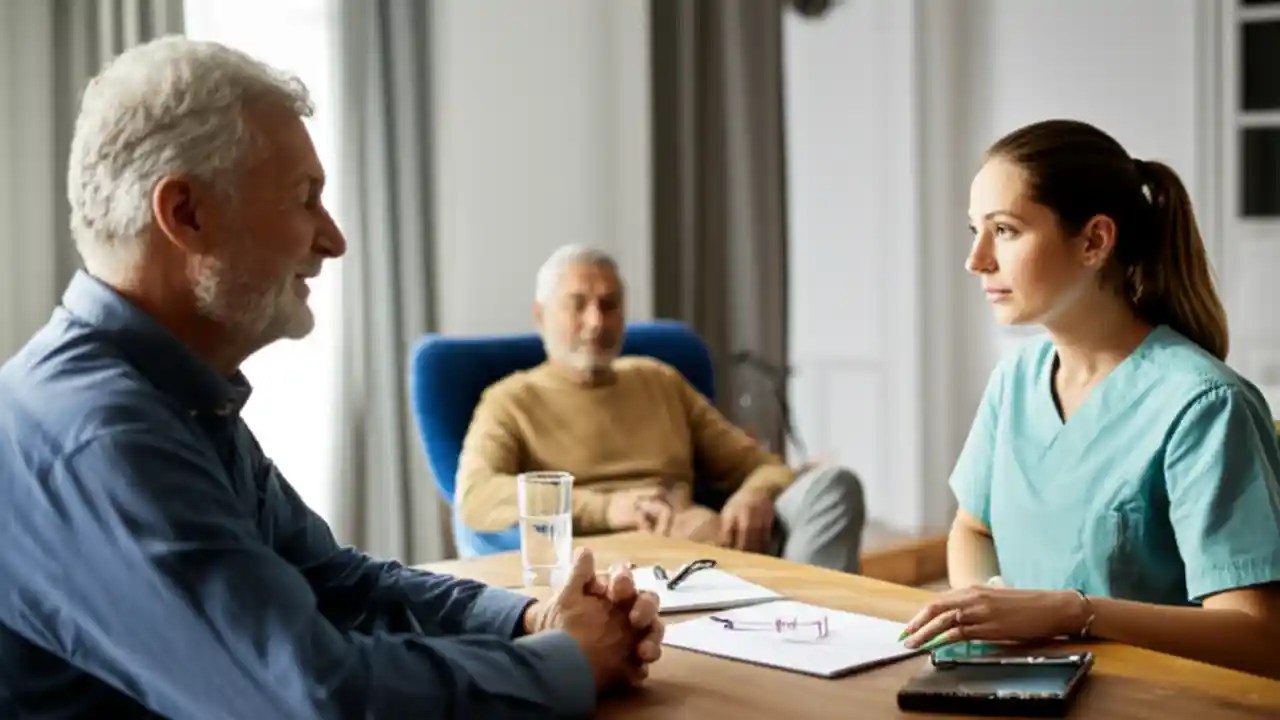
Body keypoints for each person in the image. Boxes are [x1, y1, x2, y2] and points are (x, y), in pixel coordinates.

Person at [0, 37, 662, 717]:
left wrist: (530, 621)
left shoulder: (171, 395)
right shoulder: (100, 436)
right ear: (186, 214)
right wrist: (565, 662)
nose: (334, 238)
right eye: (305, 198)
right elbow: (317, 698)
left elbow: (338, 583)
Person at [899, 119, 1280, 679]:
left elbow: (1261, 639)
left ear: (1095, 241)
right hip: (1027, 688)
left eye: (1004, 230)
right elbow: (973, 528)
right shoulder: (1016, 379)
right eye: (974, 230)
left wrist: (1073, 613)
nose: (976, 259)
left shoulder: (1206, 407)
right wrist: (984, 607)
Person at [455, 245, 866, 574]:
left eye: (610, 304)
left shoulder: (657, 380)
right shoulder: (510, 400)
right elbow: (476, 496)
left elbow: (766, 466)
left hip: (715, 541)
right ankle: (798, 620)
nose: (596, 321)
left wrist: (752, 495)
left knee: (834, 486)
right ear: (541, 316)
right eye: (577, 304)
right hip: (620, 566)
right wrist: (607, 508)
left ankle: (807, 622)